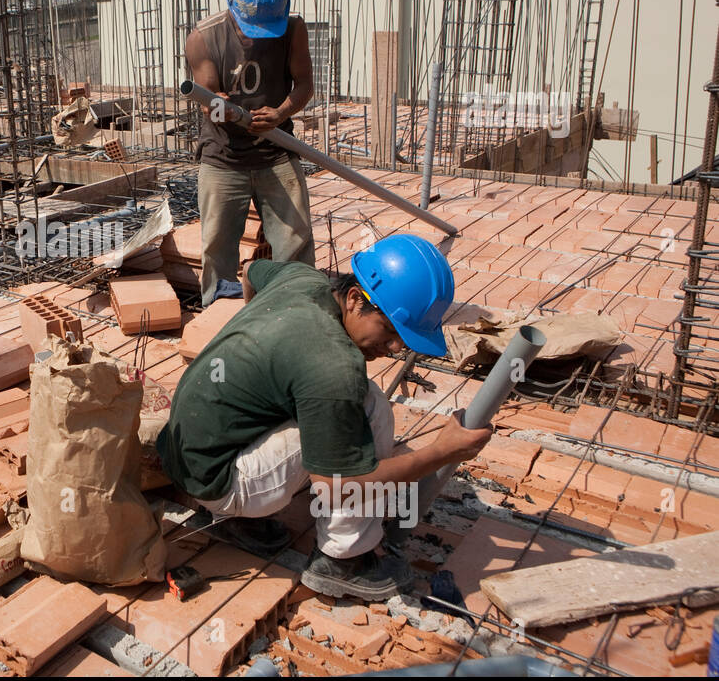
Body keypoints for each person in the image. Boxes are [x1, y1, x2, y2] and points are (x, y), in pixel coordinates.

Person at [156, 234, 493, 601]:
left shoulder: (302, 278)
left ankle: (235, 517)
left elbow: (251, 271)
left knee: (354, 400)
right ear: (354, 299)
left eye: (404, 339)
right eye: (391, 330)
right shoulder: (333, 366)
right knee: (371, 409)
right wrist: (443, 451)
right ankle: (343, 560)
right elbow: (341, 485)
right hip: (218, 482)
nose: (396, 348)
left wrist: (260, 339)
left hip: (185, 453)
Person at [186, 0, 315, 307]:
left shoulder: (292, 29)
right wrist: (222, 109)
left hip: (276, 152)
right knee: (217, 246)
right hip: (224, 156)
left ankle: (297, 311)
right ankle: (218, 317)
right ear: (233, 7)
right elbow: (206, 102)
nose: (257, 35)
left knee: (295, 242)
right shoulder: (204, 37)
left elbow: (304, 85)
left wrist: (281, 113)